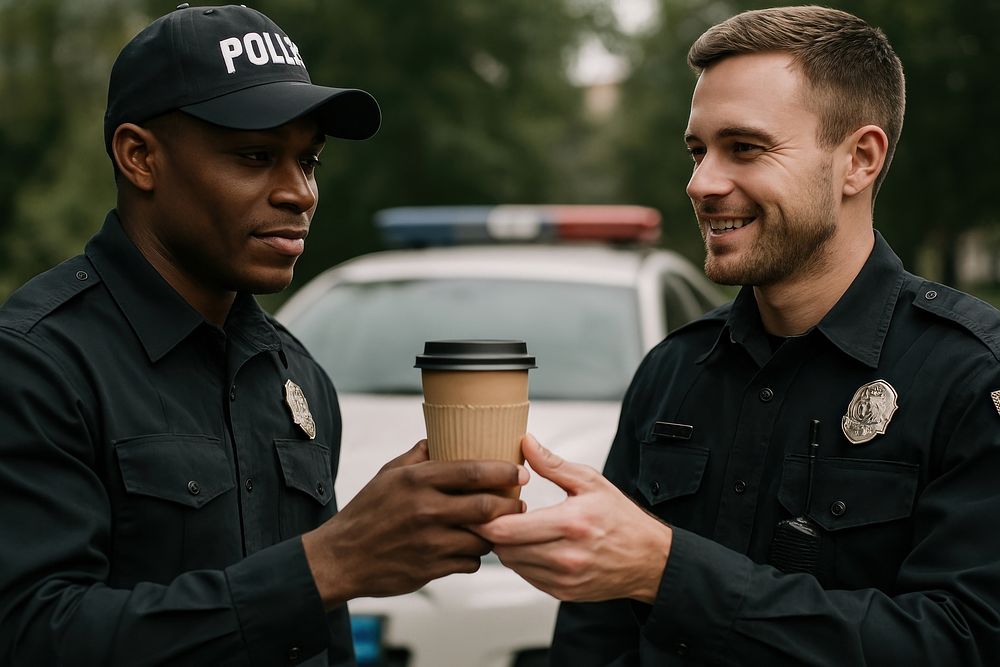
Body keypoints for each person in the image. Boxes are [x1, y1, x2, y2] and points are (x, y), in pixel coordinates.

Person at [0, 5, 525, 666]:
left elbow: (323, 632)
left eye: (308, 160)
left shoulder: (296, 375)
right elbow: (29, 634)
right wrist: (328, 562)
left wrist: (346, 564)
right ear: (140, 157)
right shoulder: (36, 361)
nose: (299, 192)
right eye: (255, 156)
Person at [475, 5, 1000, 665]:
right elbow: (593, 640)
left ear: (859, 160)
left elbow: (964, 641)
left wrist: (669, 571)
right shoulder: (673, 370)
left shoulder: (971, 376)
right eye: (698, 151)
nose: (701, 183)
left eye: (744, 148)